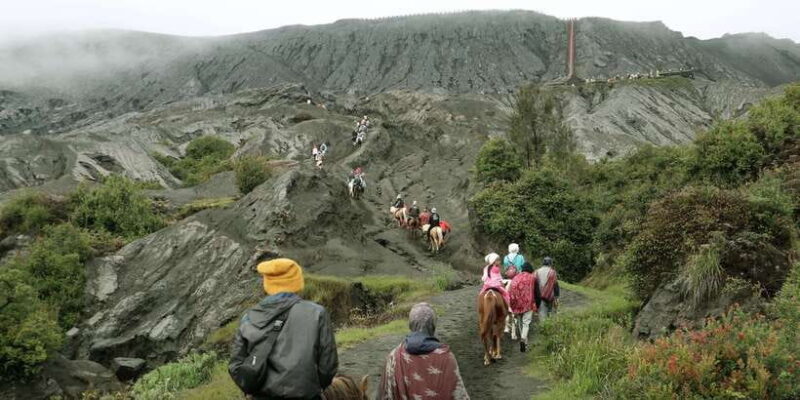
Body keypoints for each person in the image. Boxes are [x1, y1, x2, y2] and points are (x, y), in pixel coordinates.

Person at [229, 258, 338, 399]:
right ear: (297, 282)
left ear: (267, 284)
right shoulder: (317, 314)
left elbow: (236, 366)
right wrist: (313, 388)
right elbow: (328, 367)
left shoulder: (249, 317)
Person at [378, 303, 470, 400]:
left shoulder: (394, 356)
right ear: (433, 327)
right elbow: (460, 395)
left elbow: (384, 396)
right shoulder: (446, 357)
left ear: (411, 325)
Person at [509, 262, 537, 352]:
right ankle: (523, 339)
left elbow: (511, 290)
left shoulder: (516, 277)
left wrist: (512, 304)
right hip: (528, 304)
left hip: (517, 304)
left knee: (520, 322)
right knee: (526, 323)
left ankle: (524, 341)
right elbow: (537, 292)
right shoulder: (533, 278)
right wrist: (537, 303)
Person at [535, 257, 560, 321]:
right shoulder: (553, 272)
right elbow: (555, 285)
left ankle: (544, 326)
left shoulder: (537, 272)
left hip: (540, 296)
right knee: (549, 312)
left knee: (542, 314)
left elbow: (534, 285)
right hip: (550, 296)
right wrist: (557, 296)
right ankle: (549, 325)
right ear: (550, 263)